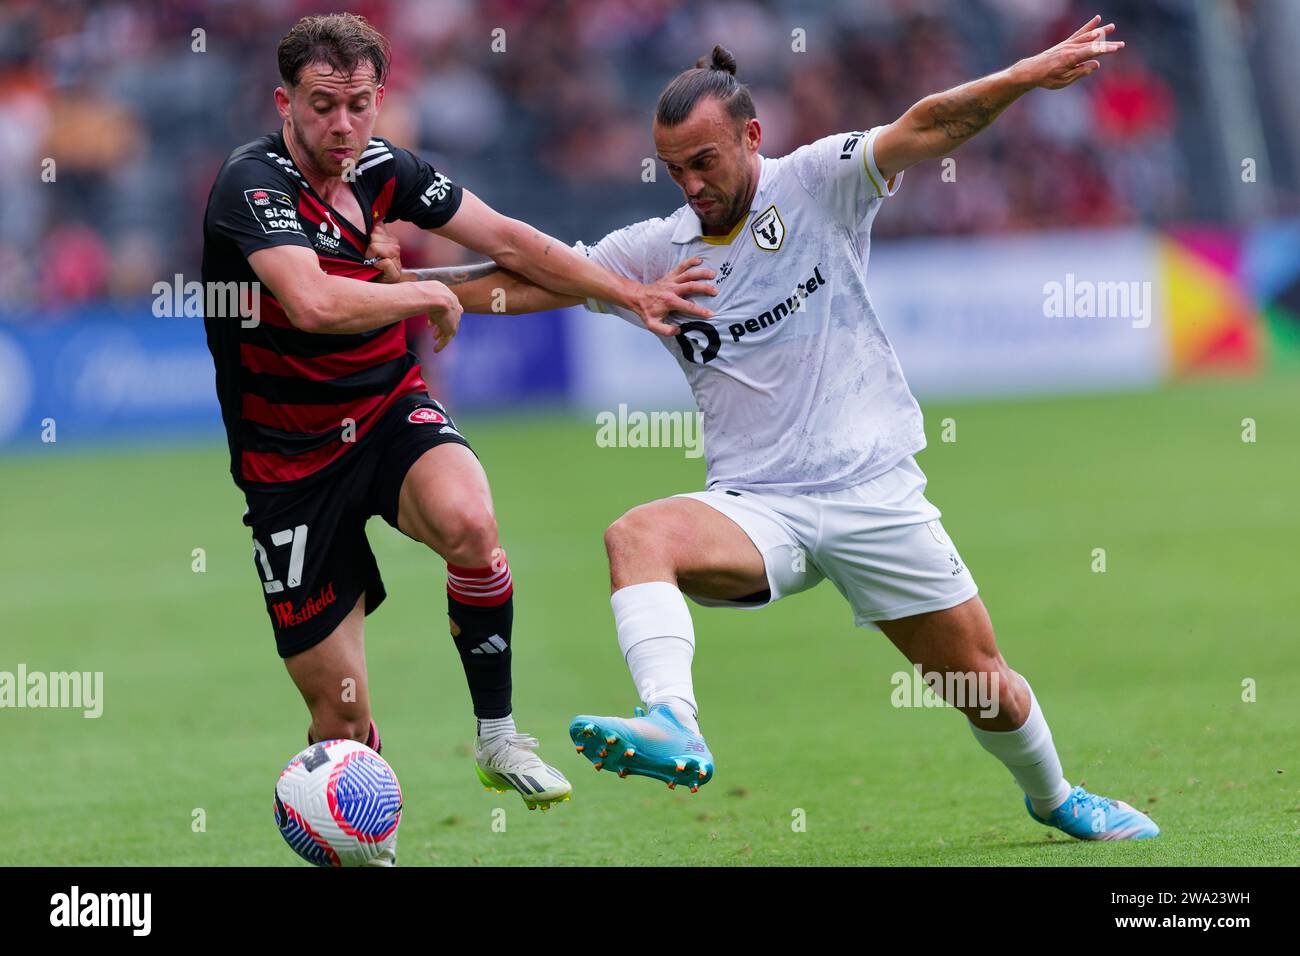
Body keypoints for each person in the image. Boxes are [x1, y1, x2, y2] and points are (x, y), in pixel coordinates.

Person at [434, 18, 1159, 840]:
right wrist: (418, 288)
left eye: (705, 162)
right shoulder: (655, 249)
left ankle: (1056, 795)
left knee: (982, 684)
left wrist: (1024, 74)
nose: (691, 185)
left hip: (874, 492)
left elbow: (929, 124)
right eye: (674, 170)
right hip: (757, 508)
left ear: (752, 135)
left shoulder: (819, 182)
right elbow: (534, 281)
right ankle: (674, 720)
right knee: (636, 536)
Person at [199, 13, 712, 834]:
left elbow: (508, 239)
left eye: (359, 104)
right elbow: (313, 300)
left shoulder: (383, 169)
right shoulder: (250, 184)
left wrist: (632, 295)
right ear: (284, 101)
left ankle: (499, 738)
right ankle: (372, 845)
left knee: (472, 521)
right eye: (323, 104)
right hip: (287, 466)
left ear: (379, 100)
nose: (343, 125)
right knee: (339, 720)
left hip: (386, 410)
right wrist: (426, 292)